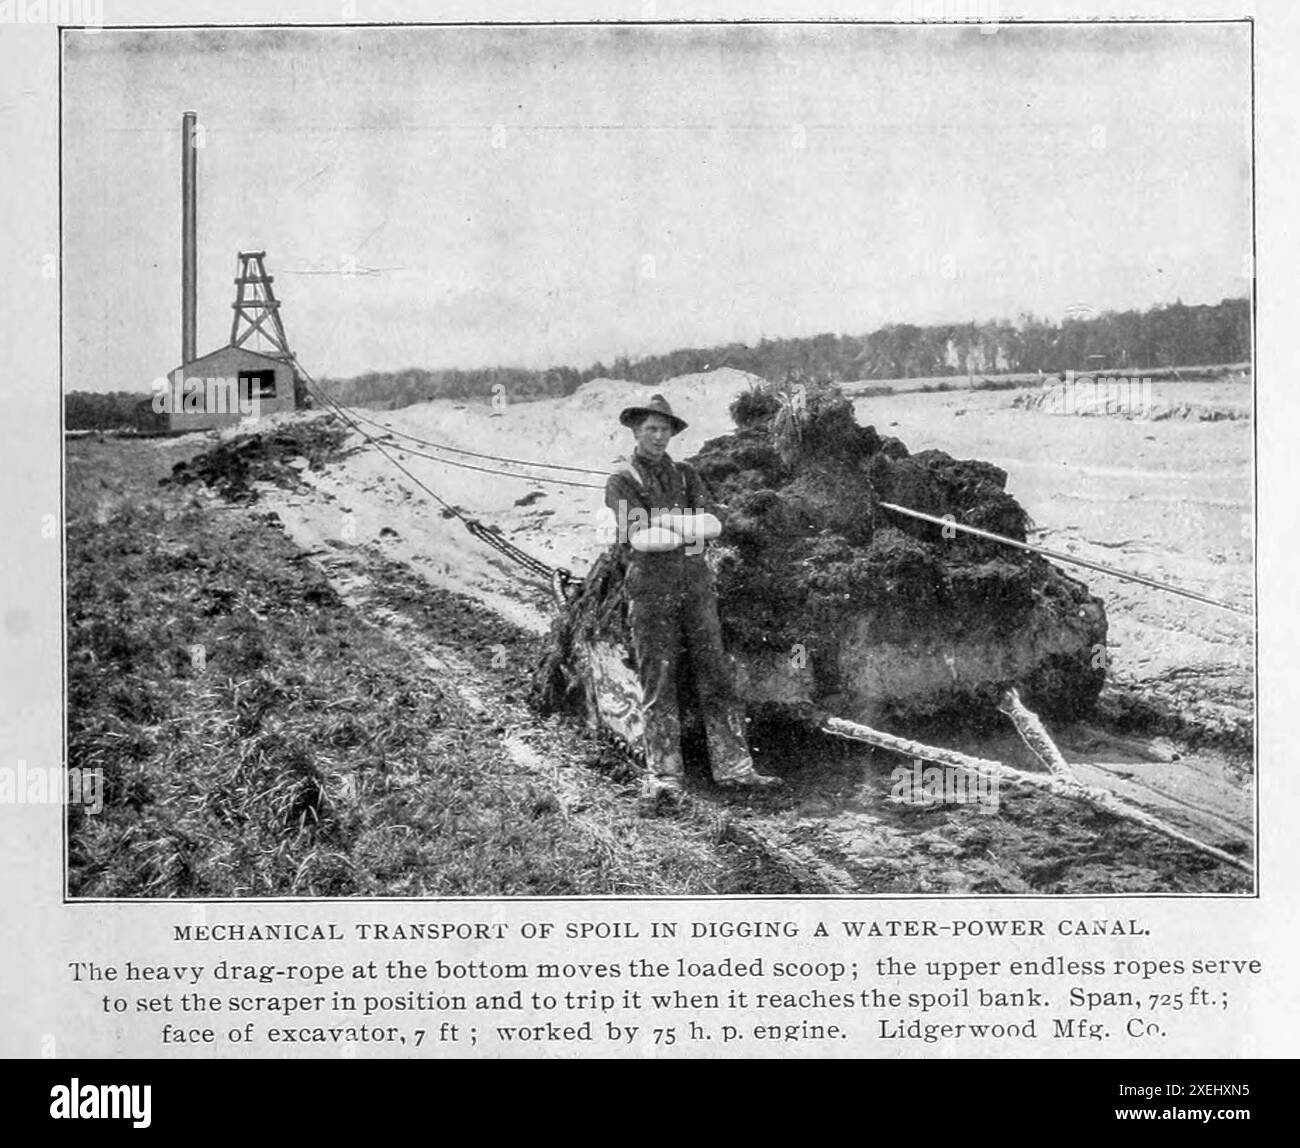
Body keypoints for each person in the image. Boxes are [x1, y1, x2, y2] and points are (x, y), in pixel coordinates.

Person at [604, 393, 782, 812]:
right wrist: (686, 529)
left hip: (696, 587)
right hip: (651, 590)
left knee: (715, 673)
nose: (658, 436)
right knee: (659, 678)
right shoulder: (623, 479)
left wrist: (666, 521)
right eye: (651, 428)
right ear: (635, 431)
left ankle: (735, 768)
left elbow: (713, 525)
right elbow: (642, 539)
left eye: (665, 429)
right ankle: (666, 775)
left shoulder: (686, 475)